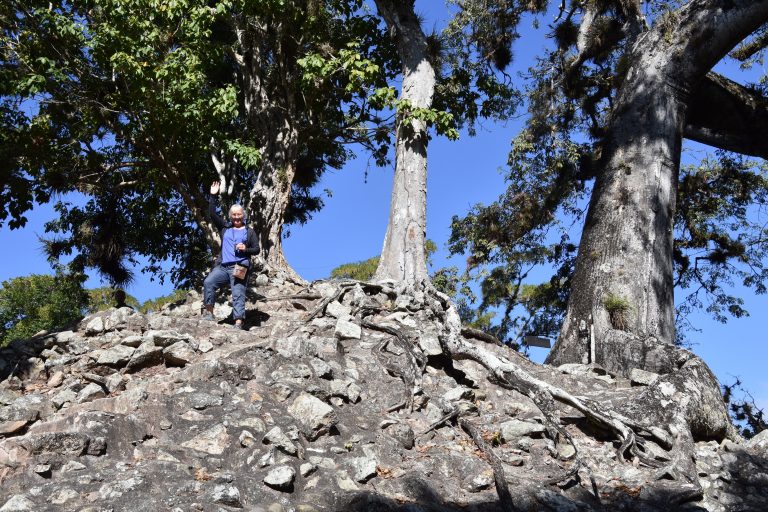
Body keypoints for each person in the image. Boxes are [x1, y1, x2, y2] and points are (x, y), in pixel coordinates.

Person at [202, 181, 260, 329]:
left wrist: (245, 249)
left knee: (238, 292)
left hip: (240, 266)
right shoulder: (225, 227)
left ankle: (238, 321)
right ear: (230, 216)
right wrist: (213, 196)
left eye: (239, 215)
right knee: (209, 282)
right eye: (233, 215)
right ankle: (209, 312)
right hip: (223, 266)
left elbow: (257, 249)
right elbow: (212, 214)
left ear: (243, 215)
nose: (236, 217)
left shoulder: (249, 231)